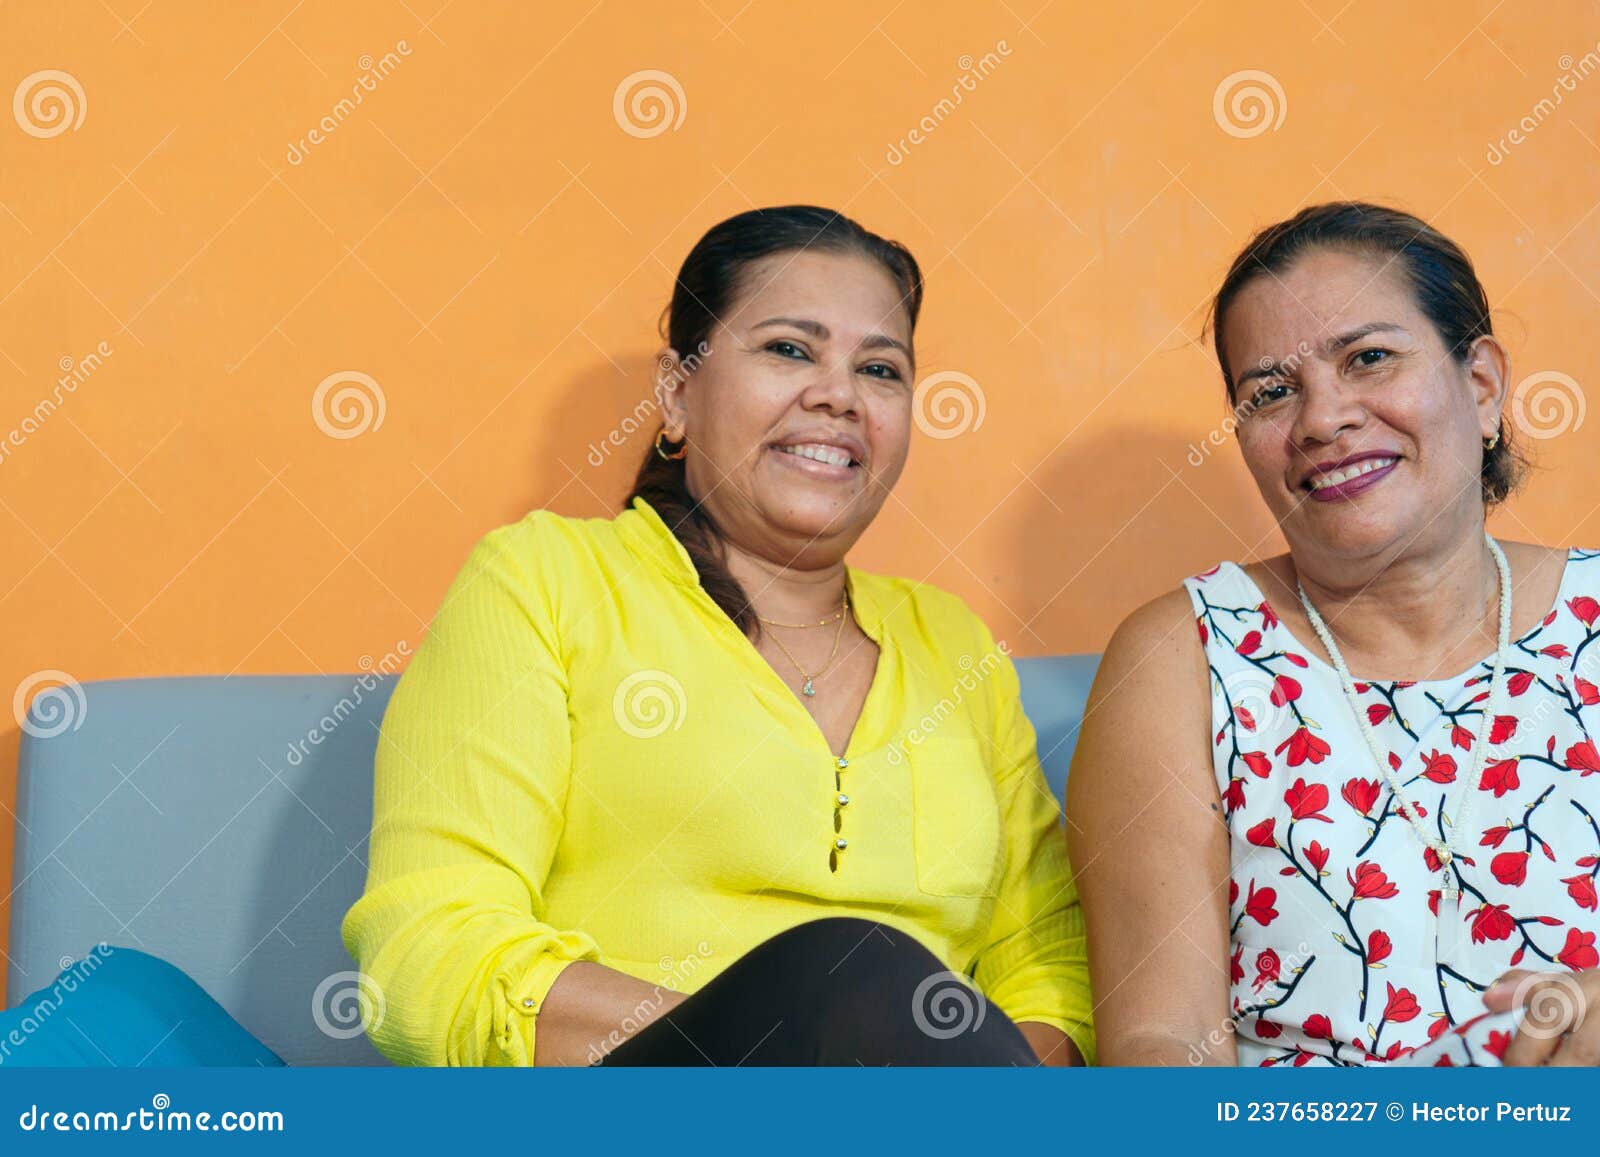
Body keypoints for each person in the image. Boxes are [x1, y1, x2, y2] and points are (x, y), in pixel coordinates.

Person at [341, 205, 1094, 1066]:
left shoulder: (952, 644)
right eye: (788, 349)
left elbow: (1049, 967)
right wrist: (777, 1051)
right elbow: (432, 948)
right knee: (849, 972)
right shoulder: (544, 580)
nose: (839, 395)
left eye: (879, 369)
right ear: (676, 393)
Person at [1068, 201, 1600, 1067]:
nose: (1322, 418)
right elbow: (1163, 1045)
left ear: (1483, 385)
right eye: (1270, 392)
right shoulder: (1183, 658)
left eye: (1370, 358)